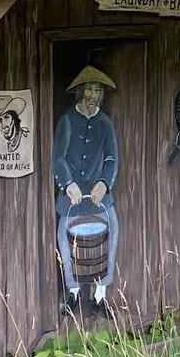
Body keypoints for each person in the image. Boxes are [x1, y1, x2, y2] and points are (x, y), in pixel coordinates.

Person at [53, 65, 120, 316]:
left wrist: (104, 182)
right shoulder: (67, 121)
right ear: (81, 92)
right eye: (89, 89)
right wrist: (68, 184)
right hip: (71, 196)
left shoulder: (105, 123)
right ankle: (72, 293)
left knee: (112, 230)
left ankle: (100, 297)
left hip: (98, 196)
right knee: (64, 239)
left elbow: (112, 158)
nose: (93, 95)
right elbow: (58, 158)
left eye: (97, 90)